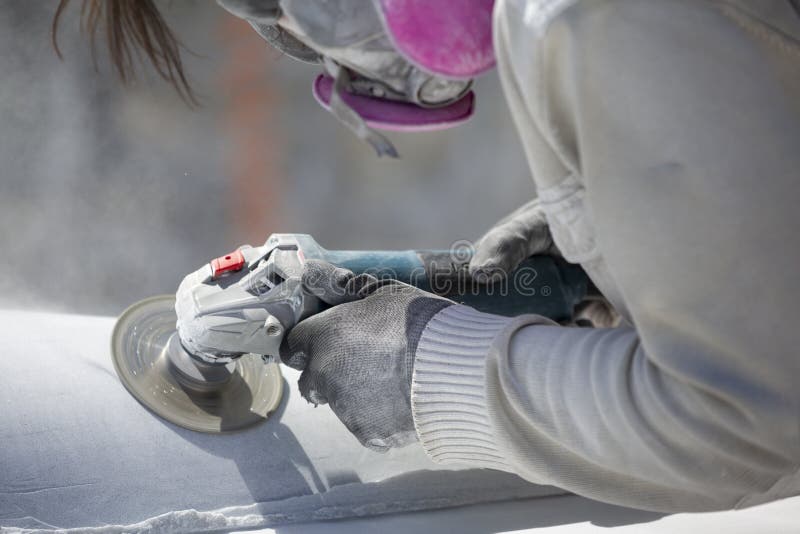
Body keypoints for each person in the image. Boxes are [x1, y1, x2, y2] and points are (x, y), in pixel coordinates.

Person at [54, 0, 800, 513]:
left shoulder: (587, 15)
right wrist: (611, 240)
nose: (297, 41)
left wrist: (429, 371)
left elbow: (748, 416)